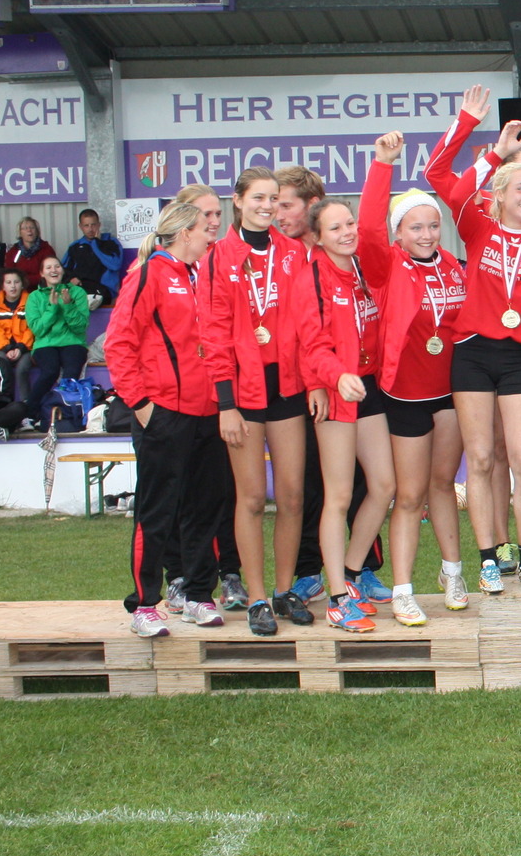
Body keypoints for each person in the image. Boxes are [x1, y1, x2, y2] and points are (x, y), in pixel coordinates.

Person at [425, 87, 521, 594]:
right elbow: (439, 178)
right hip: (472, 352)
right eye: (520, 188)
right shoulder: (478, 226)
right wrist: (487, 143)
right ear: (498, 194)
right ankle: (490, 557)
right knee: (483, 459)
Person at [357, 132, 472, 626]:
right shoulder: (385, 266)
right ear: (398, 232)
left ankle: (452, 570)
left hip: (449, 392)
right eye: (414, 227)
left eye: (432, 225)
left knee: (444, 484)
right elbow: (365, 229)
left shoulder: (454, 266)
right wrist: (383, 164)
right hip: (404, 393)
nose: (426, 234)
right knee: (408, 496)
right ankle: (403, 590)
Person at [104, 195, 228, 637]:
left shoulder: (206, 273)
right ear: (183, 233)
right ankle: (144, 604)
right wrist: (141, 406)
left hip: (208, 412)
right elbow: (118, 343)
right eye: (204, 224)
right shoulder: (150, 273)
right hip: (164, 412)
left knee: (205, 509)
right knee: (157, 511)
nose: (212, 229)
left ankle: (198, 594)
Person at [201, 166, 314, 637]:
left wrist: (318, 383)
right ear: (239, 200)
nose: (267, 206)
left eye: (274, 199)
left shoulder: (293, 254)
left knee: (290, 495)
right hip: (243, 395)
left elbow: (309, 321)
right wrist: (226, 404)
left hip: (287, 386)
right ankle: (257, 598)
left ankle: (286, 590)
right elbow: (213, 335)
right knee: (250, 500)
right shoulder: (218, 257)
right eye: (259, 198)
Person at [299, 198, 395, 633]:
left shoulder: (358, 268)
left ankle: (353, 575)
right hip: (339, 391)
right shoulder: (313, 276)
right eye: (335, 228)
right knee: (338, 496)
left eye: (350, 223)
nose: (347, 232)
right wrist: (334, 377)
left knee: (384, 485)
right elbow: (311, 343)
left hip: (367, 386)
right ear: (317, 236)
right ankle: (337, 597)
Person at [24, 256, 89, 426]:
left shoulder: (77, 292)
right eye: (48, 268)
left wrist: (67, 306)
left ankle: (67, 414)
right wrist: (52, 308)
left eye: (57, 266)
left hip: (73, 341)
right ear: (41, 273)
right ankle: (31, 414)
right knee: (50, 371)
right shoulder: (34, 297)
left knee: (71, 373)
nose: (54, 270)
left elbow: (80, 327)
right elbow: (37, 329)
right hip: (46, 343)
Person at [0, 267, 36, 422]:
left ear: (22, 284)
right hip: (2, 348)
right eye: (8, 282)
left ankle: (27, 410)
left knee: (22, 369)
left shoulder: (31, 302)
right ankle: (4, 406)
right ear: (3, 285)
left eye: (16, 282)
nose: (13, 286)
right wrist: (6, 349)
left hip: (26, 348)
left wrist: (20, 348)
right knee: (0, 364)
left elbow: (31, 328)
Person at [63, 208, 126, 305]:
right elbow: (64, 269)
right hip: (81, 289)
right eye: (86, 226)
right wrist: (71, 279)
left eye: (93, 225)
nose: (90, 229)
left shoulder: (110, 242)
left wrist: (96, 244)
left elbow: (115, 265)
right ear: (80, 226)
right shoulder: (74, 246)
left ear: (99, 225)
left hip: (103, 291)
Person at [2, 217, 59, 286]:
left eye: (32, 227)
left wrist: (26, 280)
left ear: (37, 231)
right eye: (25, 228)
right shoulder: (13, 251)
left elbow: (51, 272)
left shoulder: (46, 249)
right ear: (20, 232)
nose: (29, 230)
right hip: (19, 288)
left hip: (42, 288)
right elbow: (9, 272)